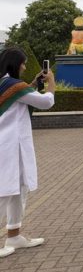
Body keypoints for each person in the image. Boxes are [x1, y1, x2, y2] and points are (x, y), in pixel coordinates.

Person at [0, 48, 55, 258]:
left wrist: (33, 84)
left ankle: (14, 235)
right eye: (22, 63)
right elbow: (46, 102)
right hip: (7, 148)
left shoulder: (8, 86)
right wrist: (51, 82)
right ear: (14, 64)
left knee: (17, 190)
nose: (24, 66)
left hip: (13, 147)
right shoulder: (14, 86)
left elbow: (20, 99)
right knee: (4, 192)